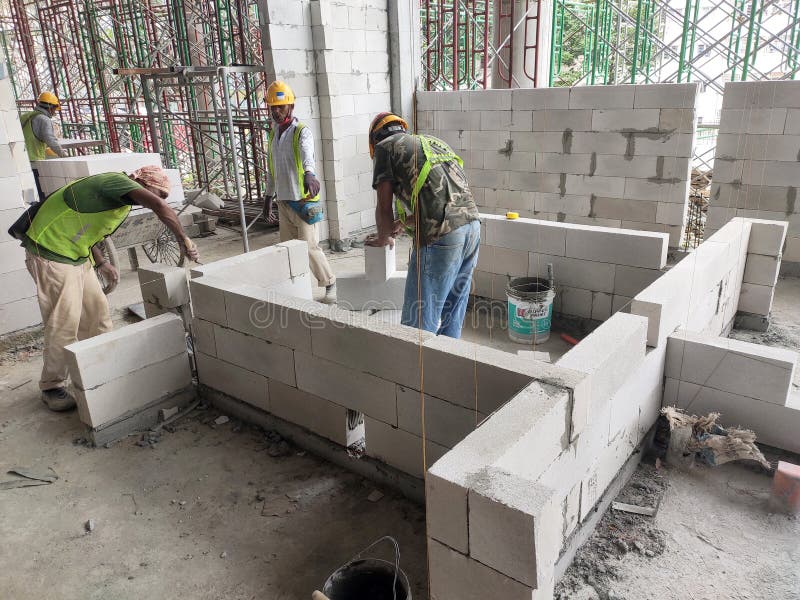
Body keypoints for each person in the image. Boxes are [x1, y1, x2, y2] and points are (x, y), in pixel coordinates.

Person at [18, 166, 199, 411]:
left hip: (76, 255)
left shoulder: (120, 201)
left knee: (98, 314)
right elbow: (159, 207)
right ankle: (52, 386)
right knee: (65, 321)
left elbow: (84, 228)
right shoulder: (116, 182)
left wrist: (102, 263)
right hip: (50, 253)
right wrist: (183, 239)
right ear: (144, 183)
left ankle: (100, 367)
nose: (159, 199)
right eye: (160, 193)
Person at [366, 112, 480, 339]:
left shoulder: (384, 148)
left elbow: (384, 205)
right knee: (453, 312)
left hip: (442, 234)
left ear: (374, 139)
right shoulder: (430, 143)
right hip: (472, 229)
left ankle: (415, 372)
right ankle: (446, 365)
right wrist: (404, 222)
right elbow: (444, 198)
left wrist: (384, 236)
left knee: (417, 324)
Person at [264, 80, 336, 303]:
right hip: (284, 202)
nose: (276, 111)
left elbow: (307, 155)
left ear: (291, 107)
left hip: (303, 202)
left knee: (309, 248)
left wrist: (310, 174)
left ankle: (330, 283)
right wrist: (268, 197)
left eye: (281, 107)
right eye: (273, 107)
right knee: (288, 250)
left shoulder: (301, 132)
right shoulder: (273, 135)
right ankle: (297, 288)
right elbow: (272, 169)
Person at [20, 91, 68, 200]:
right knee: (40, 192)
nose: (54, 113)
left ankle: (29, 209)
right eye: (55, 109)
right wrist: (64, 155)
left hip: (21, 161)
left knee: (28, 191)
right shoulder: (44, 120)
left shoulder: (26, 116)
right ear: (50, 107)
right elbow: (51, 140)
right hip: (34, 162)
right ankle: (37, 210)